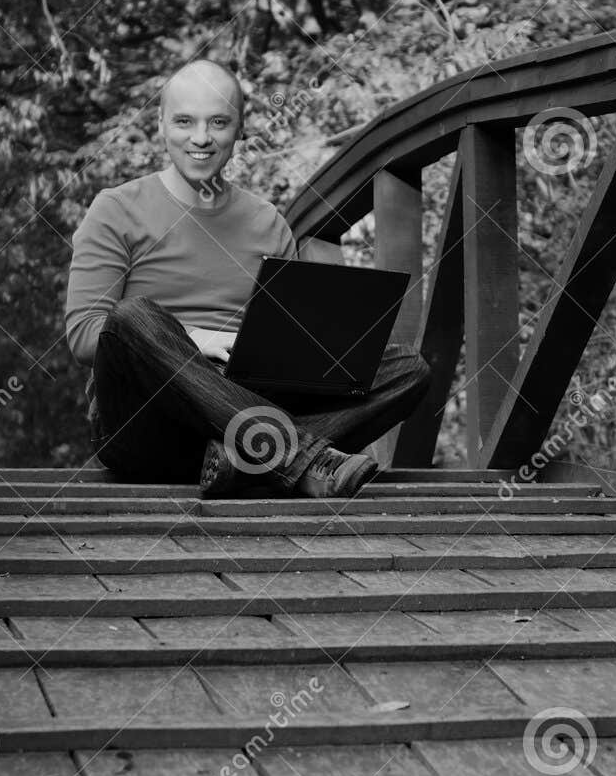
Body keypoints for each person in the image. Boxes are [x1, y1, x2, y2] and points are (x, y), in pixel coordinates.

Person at [64, 59, 432, 498]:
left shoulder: (267, 222)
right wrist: (193, 339)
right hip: (144, 423)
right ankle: (301, 459)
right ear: (161, 124)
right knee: (130, 317)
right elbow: (86, 336)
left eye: (218, 122)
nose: (201, 138)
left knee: (408, 368)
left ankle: (243, 461)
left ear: (240, 128)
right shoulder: (115, 210)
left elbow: (295, 340)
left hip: (242, 402)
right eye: (184, 121)